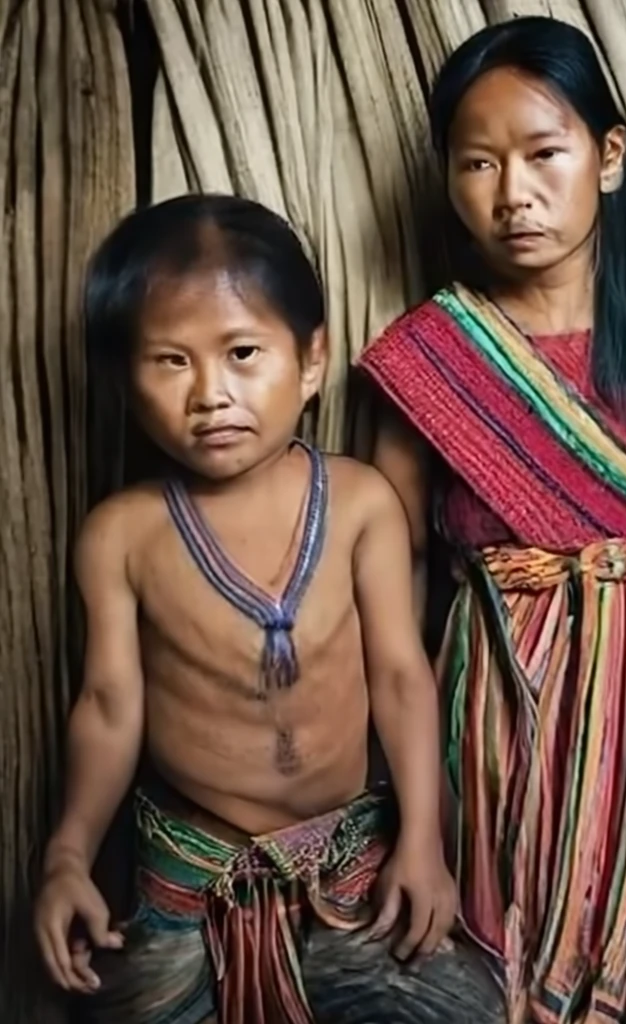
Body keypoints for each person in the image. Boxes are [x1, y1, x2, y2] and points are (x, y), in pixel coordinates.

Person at [358, 16, 626, 1024]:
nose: (511, 193)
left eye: (542, 154)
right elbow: (393, 584)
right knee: (502, 934)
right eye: (476, 164)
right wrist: (409, 808)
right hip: (512, 691)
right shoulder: (432, 362)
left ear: (606, 157)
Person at [32, 195, 503, 1024]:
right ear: (124, 382)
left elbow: (399, 676)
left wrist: (424, 842)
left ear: (311, 360)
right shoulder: (122, 536)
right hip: (190, 887)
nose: (211, 393)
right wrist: (68, 854)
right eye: (170, 362)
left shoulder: (360, 504)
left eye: (243, 352)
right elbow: (109, 703)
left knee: (464, 1007)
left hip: (353, 873)